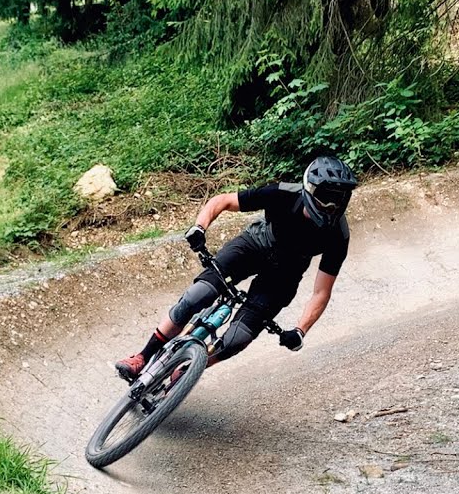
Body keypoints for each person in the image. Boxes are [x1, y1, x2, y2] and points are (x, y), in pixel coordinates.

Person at [115, 155, 357, 379]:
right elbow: (223, 201)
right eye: (327, 197)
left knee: (238, 338)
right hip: (253, 246)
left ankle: (188, 371)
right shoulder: (283, 194)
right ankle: (142, 356)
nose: (332, 205)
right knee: (196, 296)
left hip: (284, 274)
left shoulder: (338, 235)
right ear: (310, 190)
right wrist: (199, 227)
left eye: (340, 198)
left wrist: (300, 331)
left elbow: (321, 292)